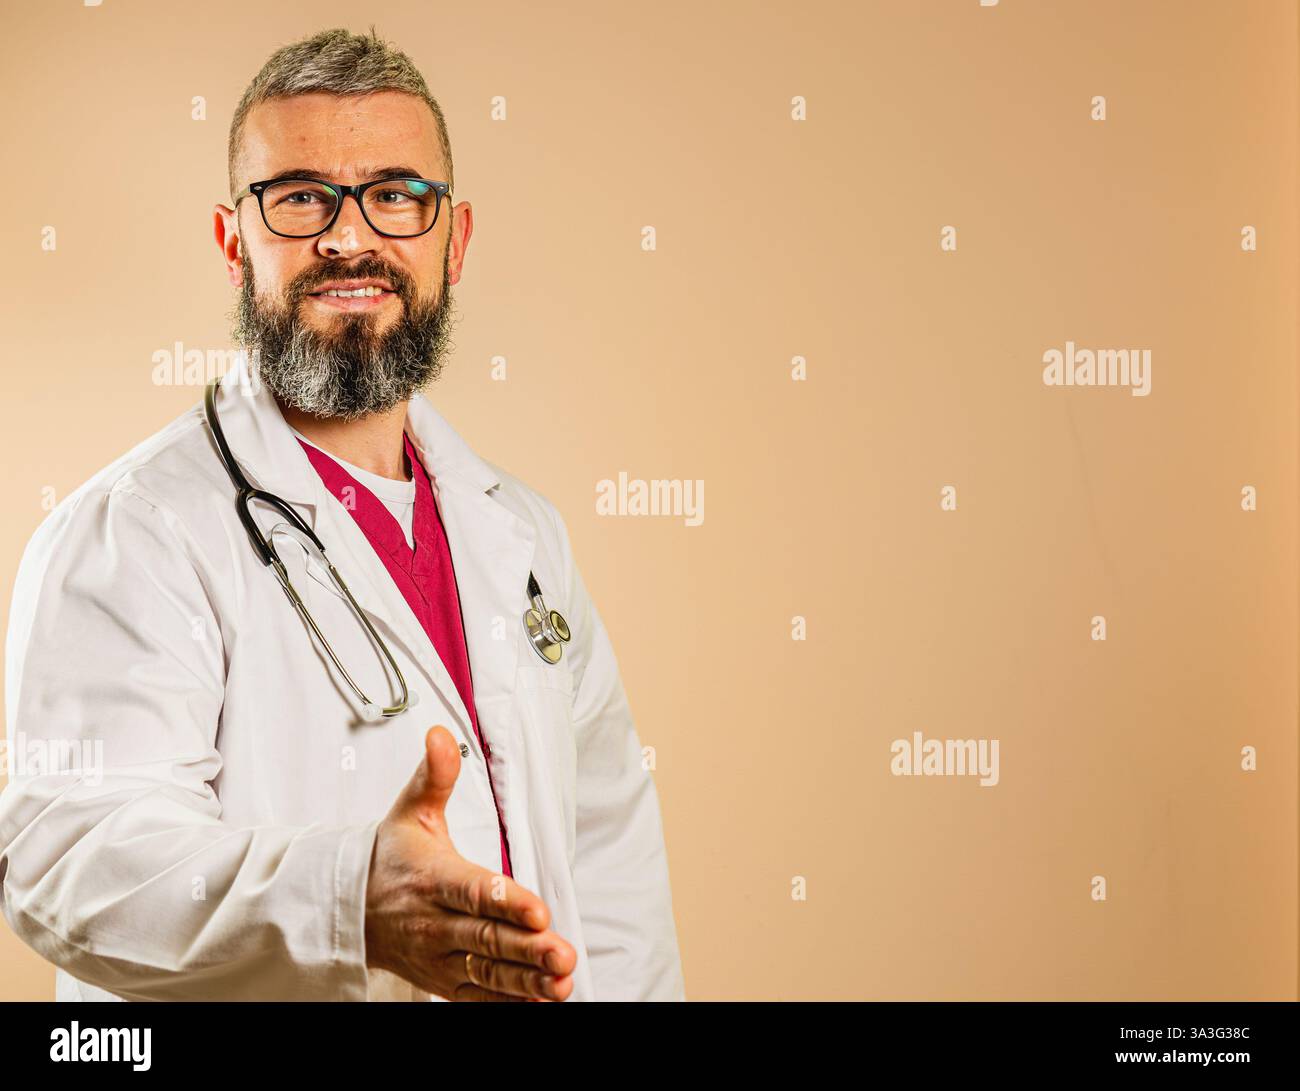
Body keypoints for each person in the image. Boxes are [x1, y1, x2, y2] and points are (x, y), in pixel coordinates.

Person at [0, 27, 684, 1002]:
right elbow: (70, 859)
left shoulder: (524, 535)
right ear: (235, 240)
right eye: (300, 197)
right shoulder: (133, 532)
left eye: (396, 195)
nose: (349, 237)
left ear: (457, 239)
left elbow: (611, 862)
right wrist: (348, 897)